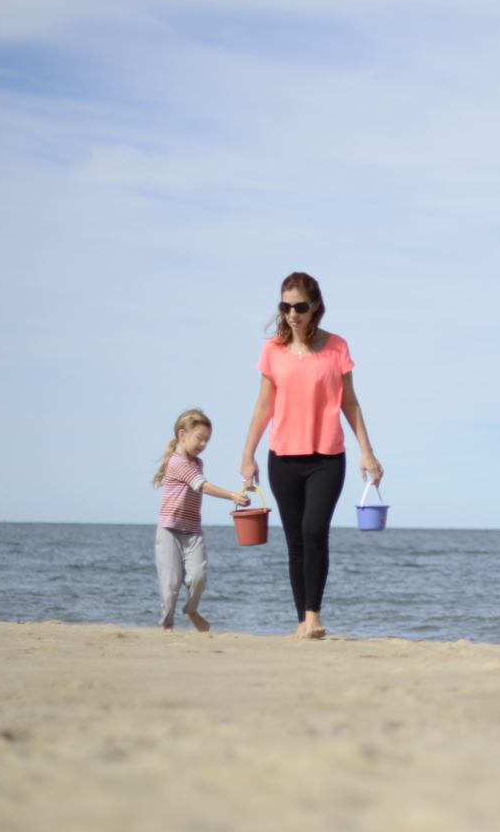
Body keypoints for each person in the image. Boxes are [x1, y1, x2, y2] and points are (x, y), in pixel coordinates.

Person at [240, 272, 383, 640]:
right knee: (295, 541)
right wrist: (248, 454)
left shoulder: (337, 347)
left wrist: (367, 452)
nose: (292, 313)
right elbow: (263, 405)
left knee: (314, 530)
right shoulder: (272, 350)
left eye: (300, 306)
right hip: (282, 458)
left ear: (315, 306)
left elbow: (349, 402)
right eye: (285, 307)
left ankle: (314, 616)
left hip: (327, 457)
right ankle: (303, 622)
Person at [151, 408, 248, 632]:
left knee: (198, 577)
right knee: (171, 583)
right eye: (199, 438)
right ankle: (167, 625)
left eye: (207, 440)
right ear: (182, 434)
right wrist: (233, 495)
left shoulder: (198, 463)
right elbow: (201, 485)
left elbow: (199, 481)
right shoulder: (177, 462)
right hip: (169, 531)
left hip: (193, 532)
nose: (203, 444)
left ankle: (191, 609)